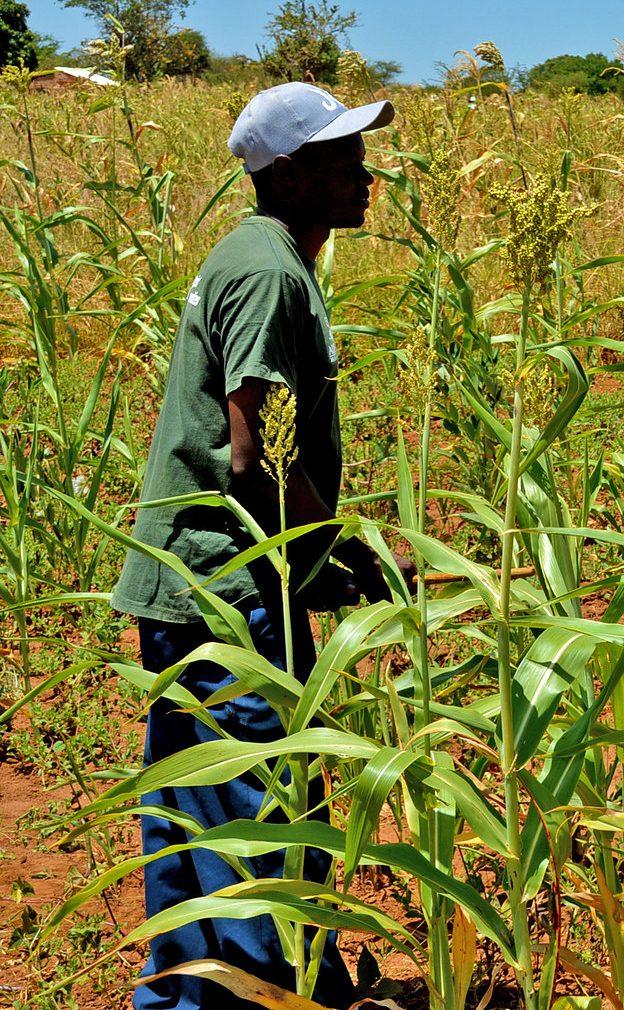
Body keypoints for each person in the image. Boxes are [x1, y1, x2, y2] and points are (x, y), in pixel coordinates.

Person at [110, 82, 413, 1010]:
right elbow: (251, 458)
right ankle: (256, 996)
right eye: (341, 159)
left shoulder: (264, 255)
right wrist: (350, 557)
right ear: (286, 173)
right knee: (256, 804)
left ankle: (192, 996)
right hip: (225, 581)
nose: (365, 176)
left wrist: (331, 560)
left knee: (198, 801)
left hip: (213, 577)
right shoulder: (270, 270)